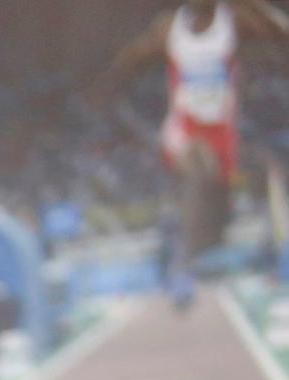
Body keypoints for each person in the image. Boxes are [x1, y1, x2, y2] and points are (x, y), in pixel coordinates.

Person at [97, 0, 289, 306]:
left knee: (221, 207)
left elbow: (276, 28)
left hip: (222, 128)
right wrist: (109, 86)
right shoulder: (168, 29)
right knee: (197, 175)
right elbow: (132, 57)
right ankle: (181, 268)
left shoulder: (235, 17)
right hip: (186, 127)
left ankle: (210, 255)